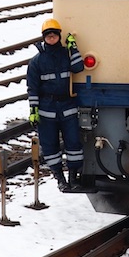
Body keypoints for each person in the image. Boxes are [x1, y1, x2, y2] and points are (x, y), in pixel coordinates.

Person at [27, 18, 85, 191]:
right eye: (48, 36)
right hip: (47, 110)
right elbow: (32, 88)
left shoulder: (66, 54)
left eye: (54, 35)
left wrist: (73, 47)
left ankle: (73, 178)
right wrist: (33, 110)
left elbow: (78, 67)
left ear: (59, 36)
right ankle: (60, 179)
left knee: (74, 144)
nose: (51, 38)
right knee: (50, 146)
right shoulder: (37, 61)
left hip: (67, 106)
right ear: (44, 38)